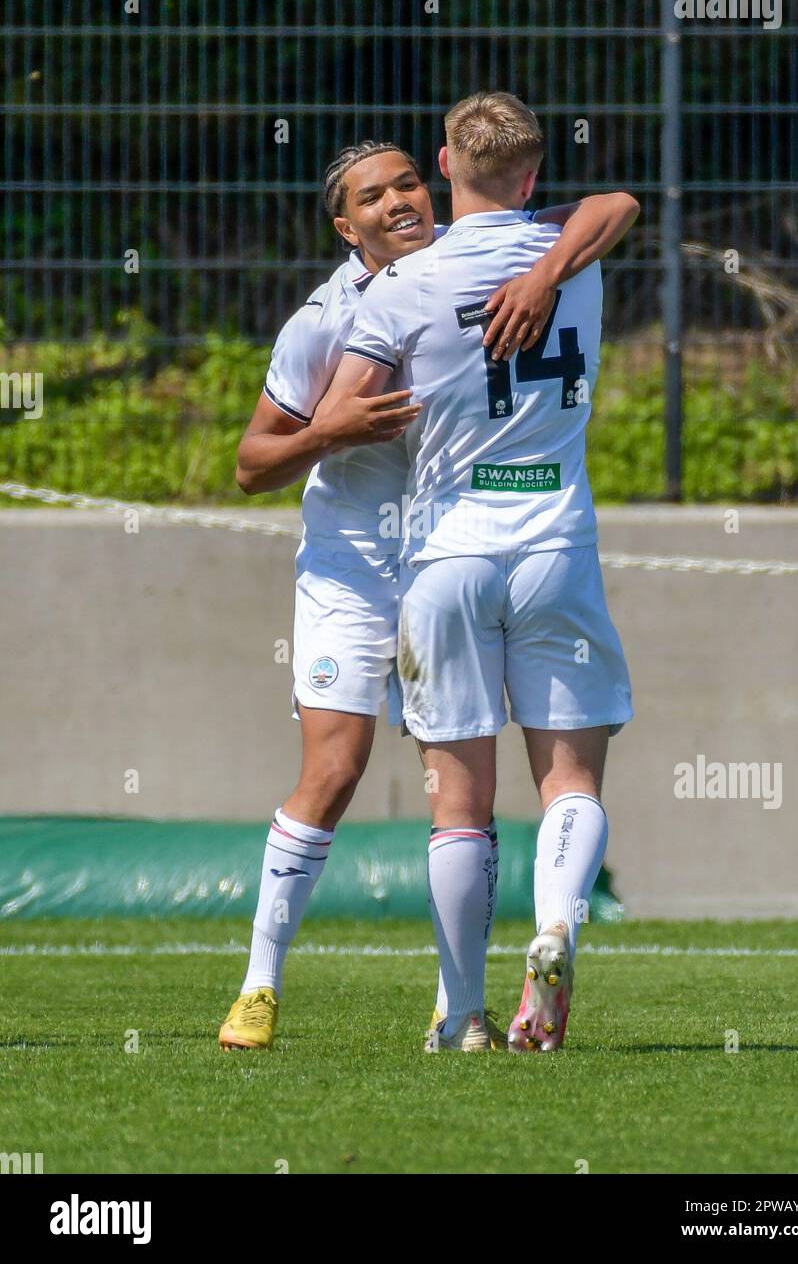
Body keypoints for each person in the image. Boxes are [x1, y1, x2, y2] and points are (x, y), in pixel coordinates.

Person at [218, 133, 638, 1052]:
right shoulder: (324, 320)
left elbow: (610, 208)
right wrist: (333, 430)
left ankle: (457, 1004)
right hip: (357, 570)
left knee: (456, 787)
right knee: (334, 772)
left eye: (410, 180)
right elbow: (252, 465)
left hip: (447, 559)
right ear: (345, 225)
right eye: (374, 197)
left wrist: (543, 274)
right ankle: (259, 985)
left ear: (439, 178)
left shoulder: (467, 263)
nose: (400, 201)